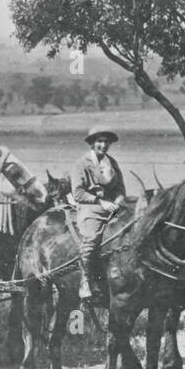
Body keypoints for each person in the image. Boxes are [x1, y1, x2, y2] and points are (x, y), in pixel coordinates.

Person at [71, 128, 127, 304]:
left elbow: (121, 190)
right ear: (92, 142)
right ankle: (85, 281)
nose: (103, 145)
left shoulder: (112, 163)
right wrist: (100, 202)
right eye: (99, 141)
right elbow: (78, 193)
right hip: (91, 208)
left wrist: (117, 202)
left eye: (106, 142)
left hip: (113, 208)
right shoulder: (82, 163)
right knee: (92, 239)